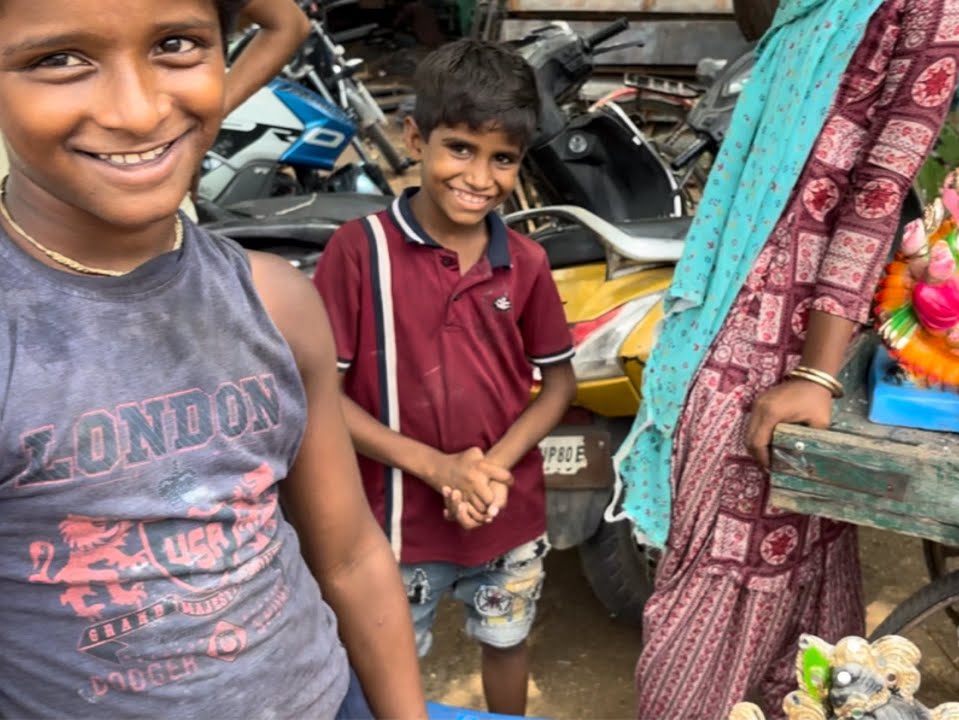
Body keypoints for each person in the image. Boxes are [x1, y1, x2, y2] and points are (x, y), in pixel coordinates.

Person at [0, 1, 425, 718]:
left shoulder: (276, 302)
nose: (136, 112)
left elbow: (350, 555)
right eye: (58, 59)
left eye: (175, 44)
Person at [608, 0, 959, 716]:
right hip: (730, 322)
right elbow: (755, 16)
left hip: (785, 349)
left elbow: (879, 190)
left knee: (734, 586)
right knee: (744, 585)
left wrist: (814, 373)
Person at [311, 38, 577, 717]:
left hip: (503, 512)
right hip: (396, 528)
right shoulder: (359, 251)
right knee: (386, 662)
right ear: (414, 136)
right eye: (460, 147)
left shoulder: (525, 262)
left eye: (503, 159)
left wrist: (487, 470)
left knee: (507, 640)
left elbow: (559, 385)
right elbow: (323, 399)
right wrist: (438, 470)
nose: (480, 177)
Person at [0, 0, 309, 207]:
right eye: (59, 61)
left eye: (174, 44)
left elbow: (287, 23)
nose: (142, 118)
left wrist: (199, 125)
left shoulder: (272, 291)